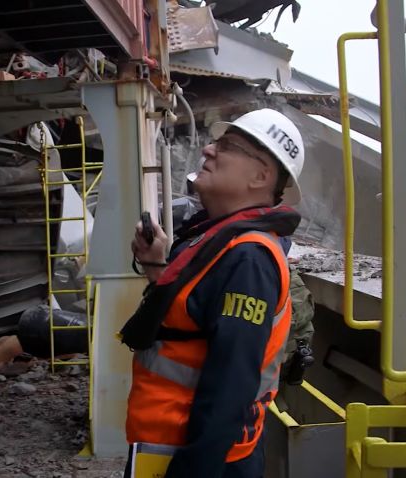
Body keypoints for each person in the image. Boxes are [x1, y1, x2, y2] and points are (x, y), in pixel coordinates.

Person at [121, 108, 305, 477]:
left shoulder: (248, 260)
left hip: (203, 461)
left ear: (261, 176)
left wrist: (192, 471)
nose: (207, 150)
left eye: (228, 146)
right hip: (166, 448)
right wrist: (158, 267)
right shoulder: (217, 238)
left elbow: (231, 387)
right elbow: (191, 326)